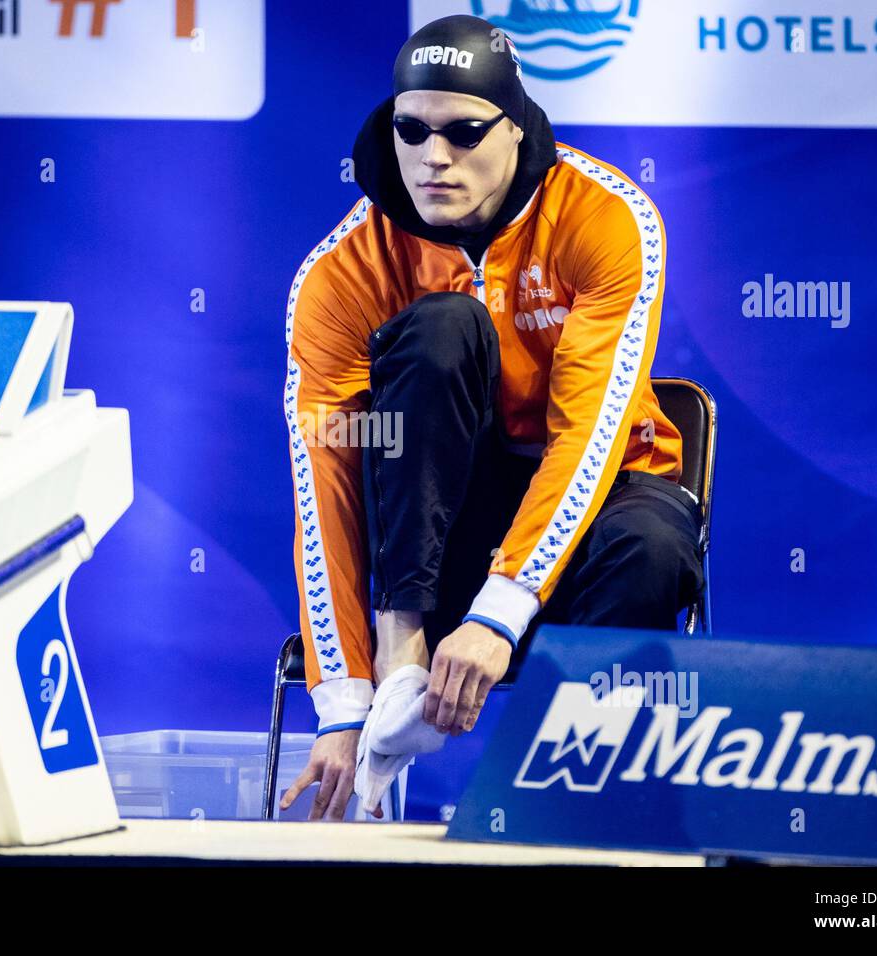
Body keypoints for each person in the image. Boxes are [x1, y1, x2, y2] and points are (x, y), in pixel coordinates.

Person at [280, 14, 704, 821]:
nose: (434, 158)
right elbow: (326, 490)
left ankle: (584, 811)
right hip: (442, 538)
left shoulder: (604, 216)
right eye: (411, 130)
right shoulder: (341, 272)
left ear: (516, 130)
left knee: (649, 548)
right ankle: (407, 652)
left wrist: (501, 611)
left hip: (598, 499)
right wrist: (344, 705)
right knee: (443, 328)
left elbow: (587, 436)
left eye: (465, 132)